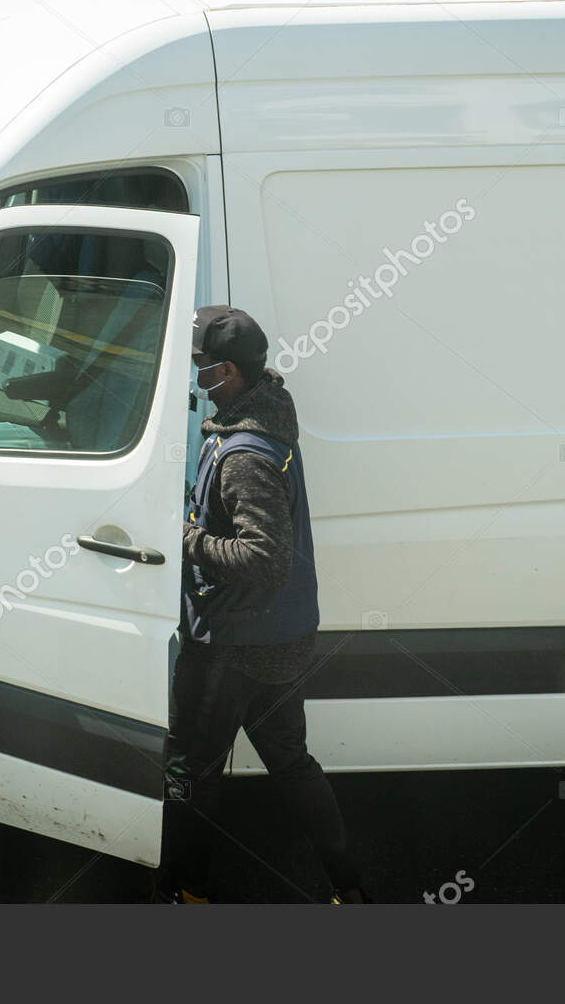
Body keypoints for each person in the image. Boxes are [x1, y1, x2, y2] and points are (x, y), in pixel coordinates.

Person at [153, 305, 369, 905]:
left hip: (232, 647)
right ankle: (348, 892)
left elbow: (266, 559)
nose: (196, 378)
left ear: (229, 372)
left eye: (201, 368)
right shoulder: (267, 416)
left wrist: (184, 538)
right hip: (280, 638)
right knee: (292, 764)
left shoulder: (244, 455)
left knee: (190, 774)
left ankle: (185, 894)